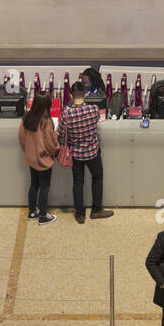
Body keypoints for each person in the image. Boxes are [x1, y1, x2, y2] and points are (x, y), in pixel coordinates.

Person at [59, 81, 114, 224]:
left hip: (75, 154)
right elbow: (97, 121)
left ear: (70, 95)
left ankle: (80, 214)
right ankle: (96, 210)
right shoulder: (94, 109)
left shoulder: (67, 113)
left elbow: (61, 132)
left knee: (78, 183)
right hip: (92, 152)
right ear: (85, 94)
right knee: (97, 178)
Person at [19, 92, 60, 225]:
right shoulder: (46, 121)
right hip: (44, 160)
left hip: (31, 159)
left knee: (34, 184)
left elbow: (21, 138)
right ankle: (43, 215)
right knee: (44, 187)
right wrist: (56, 147)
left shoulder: (26, 118)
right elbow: (49, 143)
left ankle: (32, 212)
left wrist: (28, 151)